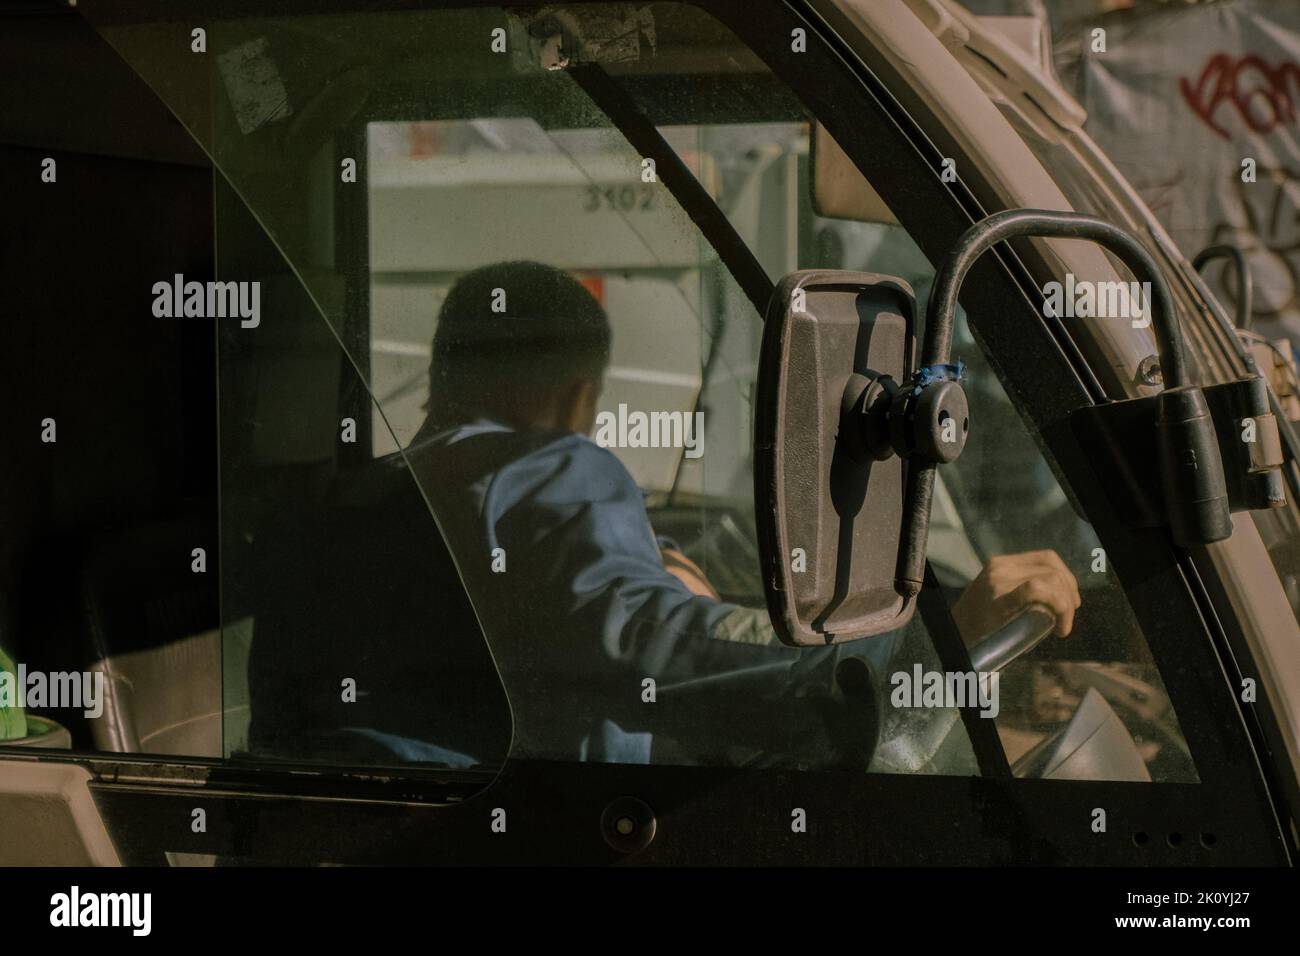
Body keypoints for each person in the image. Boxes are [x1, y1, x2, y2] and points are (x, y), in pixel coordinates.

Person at [391, 260, 1080, 766]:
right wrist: (922, 651)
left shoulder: (373, 494)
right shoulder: (547, 468)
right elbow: (646, 637)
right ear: (579, 398)